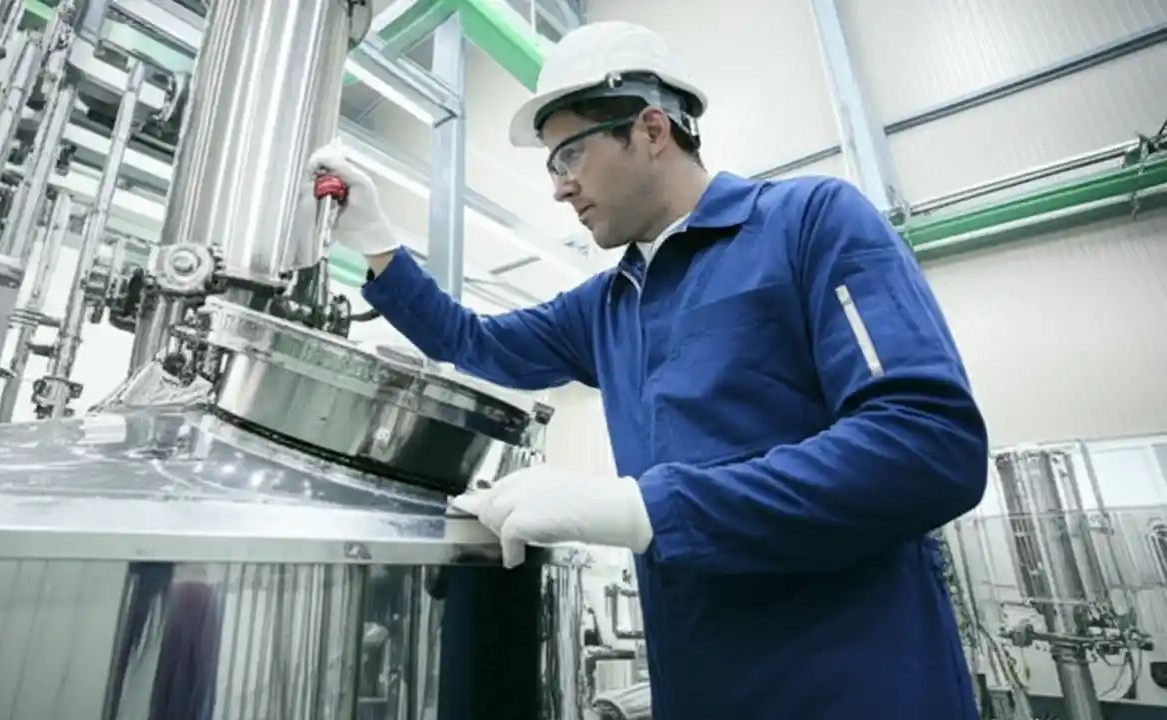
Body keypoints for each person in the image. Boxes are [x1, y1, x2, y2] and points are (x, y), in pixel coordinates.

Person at [307, 19, 988, 720]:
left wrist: (643, 509)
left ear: (653, 129)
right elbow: (472, 341)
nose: (559, 188)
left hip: (854, 685)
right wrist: (379, 247)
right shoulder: (606, 304)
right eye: (551, 163)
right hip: (698, 685)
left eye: (570, 154)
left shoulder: (809, 223)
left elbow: (927, 448)